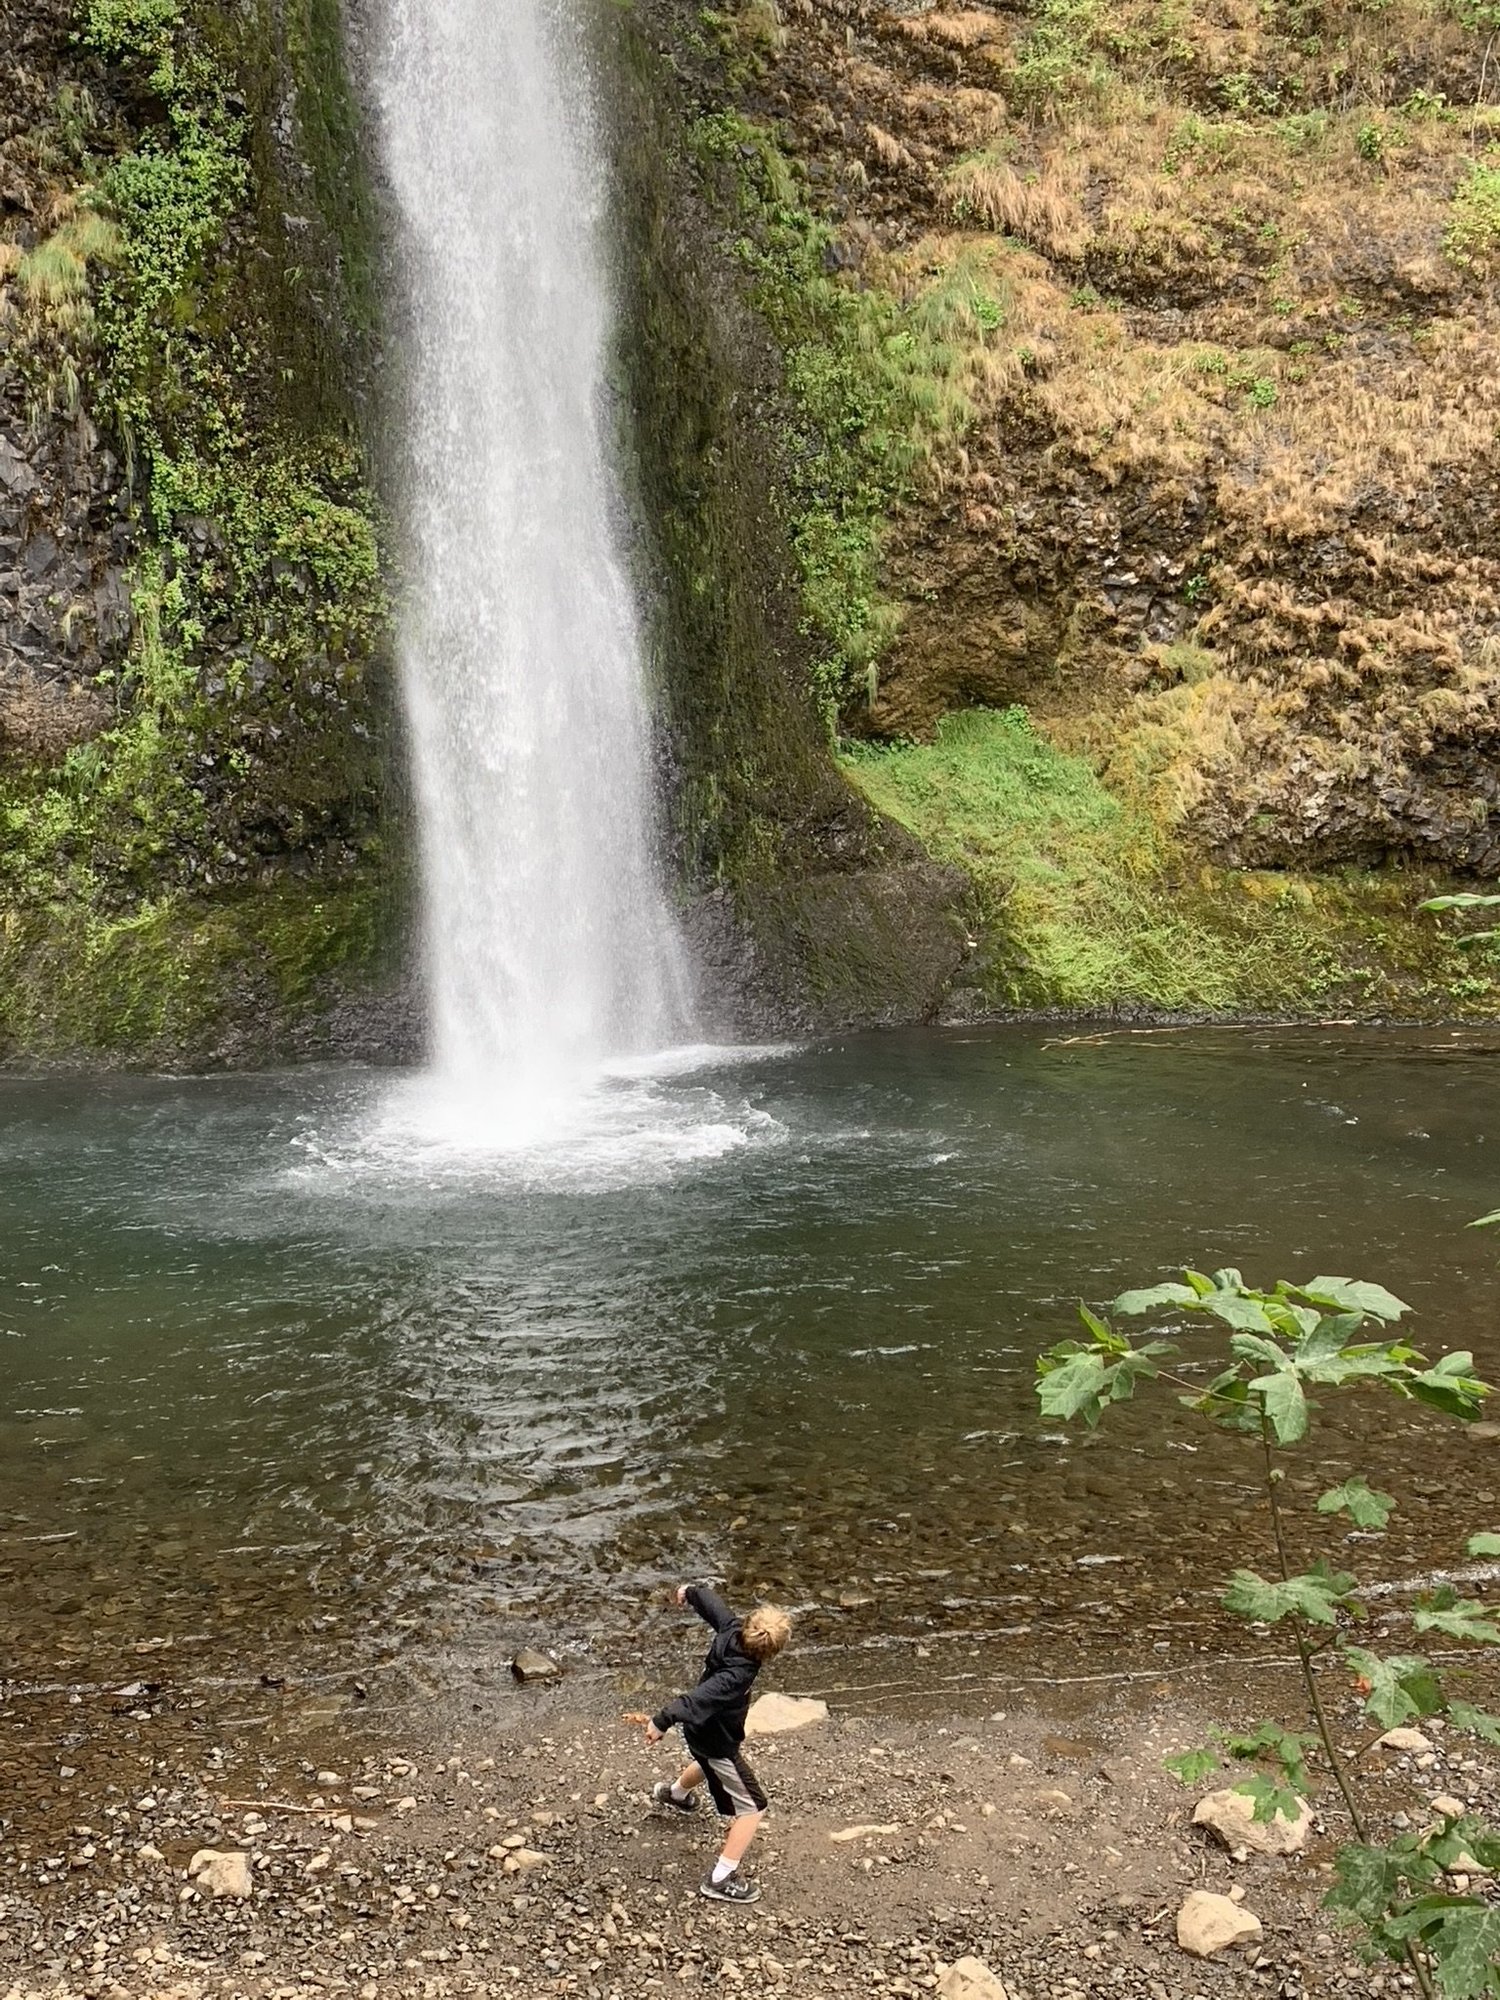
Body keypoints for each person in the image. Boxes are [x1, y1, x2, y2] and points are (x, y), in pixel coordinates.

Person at [640, 1581, 792, 1903]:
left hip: (701, 1732)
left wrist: (689, 1591)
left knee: (709, 1764)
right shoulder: (736, 1676)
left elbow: (712, 1603)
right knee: (752, 1807)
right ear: (772, 1653)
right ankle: (721, 1877)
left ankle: (676, 1794)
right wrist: (661, 1720)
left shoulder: (730, 1629)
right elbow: (696, 1698)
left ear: (748, 1623)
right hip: (714, 1737)